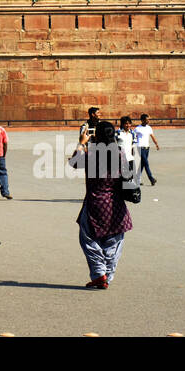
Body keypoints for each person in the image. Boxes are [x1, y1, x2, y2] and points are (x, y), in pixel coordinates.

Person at [68, 120, 134, 289]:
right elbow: (128, 176)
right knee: (114, 242)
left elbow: (74, 162)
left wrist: (81, 143)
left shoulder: (92, 154)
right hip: (116, 206)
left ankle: (99, 273)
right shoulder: (120, 153)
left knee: (88, 239)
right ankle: (106, 276)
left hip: (94, 204)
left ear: (97, 135)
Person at [133, 113, 160, 183]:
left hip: (147, 148)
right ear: (142, 120)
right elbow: (133, 138)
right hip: (140, 148)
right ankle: (151, 179)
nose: (148, 121)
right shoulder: (137, 128)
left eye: (149, 119)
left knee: (142, 164)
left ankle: (137, 179)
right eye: (147, 120)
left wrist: (156, 144)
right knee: (146, 163)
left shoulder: (149, 128)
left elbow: (152, 136)